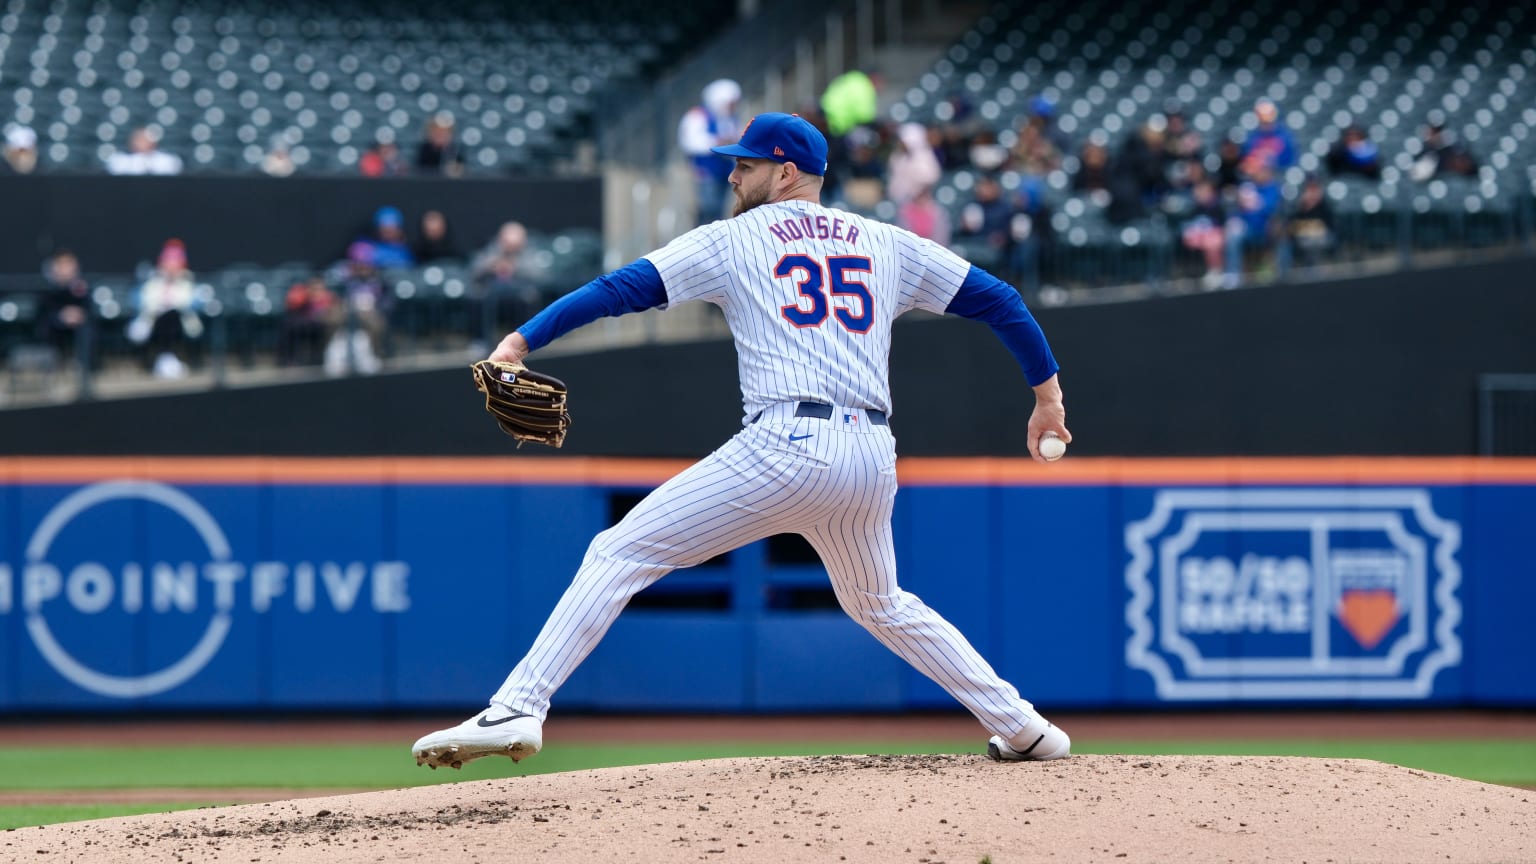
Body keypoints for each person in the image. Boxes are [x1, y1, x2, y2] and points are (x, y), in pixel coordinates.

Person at [412, 112, 1073, 771]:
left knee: (620, 549)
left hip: (787, 443)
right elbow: (1001, 300)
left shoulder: (734, 240)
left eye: (747, 164)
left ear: (786, 172)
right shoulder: (886, 242)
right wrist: (1047, 397)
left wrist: (520, 340)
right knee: (882, 603)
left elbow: (620, 290)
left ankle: (519, 706)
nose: (733, 173)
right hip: (871, 456)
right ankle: (1025, 729)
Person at [126, 239, 202, 377]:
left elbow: (195, 304)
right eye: (168, 263)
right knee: (163, 318)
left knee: (171, 316)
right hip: (152, 323)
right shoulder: (152, 283)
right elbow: (138, 301)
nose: (171, 268)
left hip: (180, 324)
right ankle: (164, 360)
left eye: (175, 264)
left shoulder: (188, 283)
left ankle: (167, 359)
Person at [677, 78, 742, 226]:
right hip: (706, 170)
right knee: (708, 208)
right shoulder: (698, 115)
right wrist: (717, 142)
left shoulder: (730, 118)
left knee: (719, 211)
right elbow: (690, 142)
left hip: (725, 171)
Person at [36, 249, 93, 366]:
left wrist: (77, 314)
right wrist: (62, 316)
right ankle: (54, 363)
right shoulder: (45, 288)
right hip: (53, 326)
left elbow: (87, 308)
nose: (66, 268)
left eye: (69, 264)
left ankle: (85, 366)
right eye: (62, 264)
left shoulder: (81, 287)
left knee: (87, 328)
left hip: (77, 325)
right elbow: (44, 313)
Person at [105, 126, 183, 175]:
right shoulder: (121, 161)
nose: (143, 143)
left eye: (146, 139)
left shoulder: (167, 160)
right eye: (139, 139)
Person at [415, 112, 464, 178]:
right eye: (437, 131)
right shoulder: (424, 150)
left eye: (444, 132)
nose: (440, 135)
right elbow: (419, 171)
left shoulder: (456, 152)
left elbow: (461, 173)